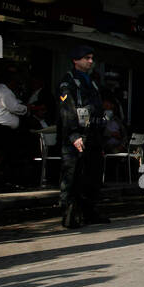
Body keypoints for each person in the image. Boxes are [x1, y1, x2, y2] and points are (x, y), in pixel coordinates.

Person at [57, 45, 109, 227]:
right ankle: (70, 214)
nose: (90, 61)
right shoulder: (68, 82)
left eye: (91, 57)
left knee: (93, 174)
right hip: (78, 136)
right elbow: (67, 111)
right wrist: (74, 135)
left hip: (93, 134)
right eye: (87, 58)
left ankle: (89, 211)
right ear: (75, 60)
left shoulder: (91, 82)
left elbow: (97, 108)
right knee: (73, 175)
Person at [0, 70, 29, 190]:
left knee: (5, 155)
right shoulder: (3, 90)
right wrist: (26, 108)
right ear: (11, 81)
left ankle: (1, 181)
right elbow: (14, 107)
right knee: (0, 155)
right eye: (15, 82)